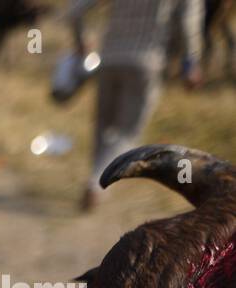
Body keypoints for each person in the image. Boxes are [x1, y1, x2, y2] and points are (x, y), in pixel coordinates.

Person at [68, 0, 205, 211]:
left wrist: (81, 41)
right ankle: (96, 183)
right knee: (128, 132)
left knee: (102, 127)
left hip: (110, 58)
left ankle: (93, 179)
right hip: (147, 62)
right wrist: (190, 64)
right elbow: (188, 21)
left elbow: (76, 10)